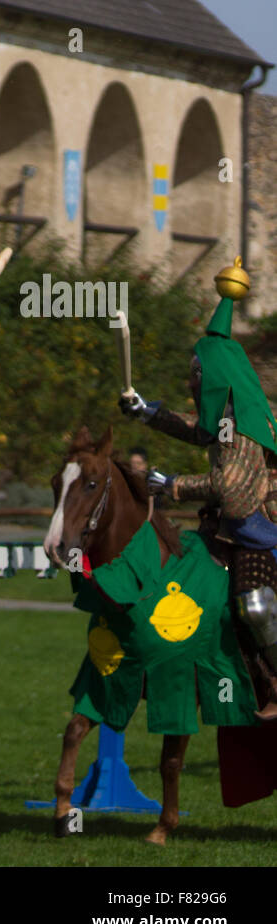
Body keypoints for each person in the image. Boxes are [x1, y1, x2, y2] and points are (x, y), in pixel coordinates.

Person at [120, 258, 277, 718]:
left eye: (197, 373)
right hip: (229, 525)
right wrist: (147, 411)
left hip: (258, 528)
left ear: (218, 379)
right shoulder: (228, 416)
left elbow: (230, 488)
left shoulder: (246, 426)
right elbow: (200, 431)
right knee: (180, 577)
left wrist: (171, 485)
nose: (192, 381)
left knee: (254, 605)